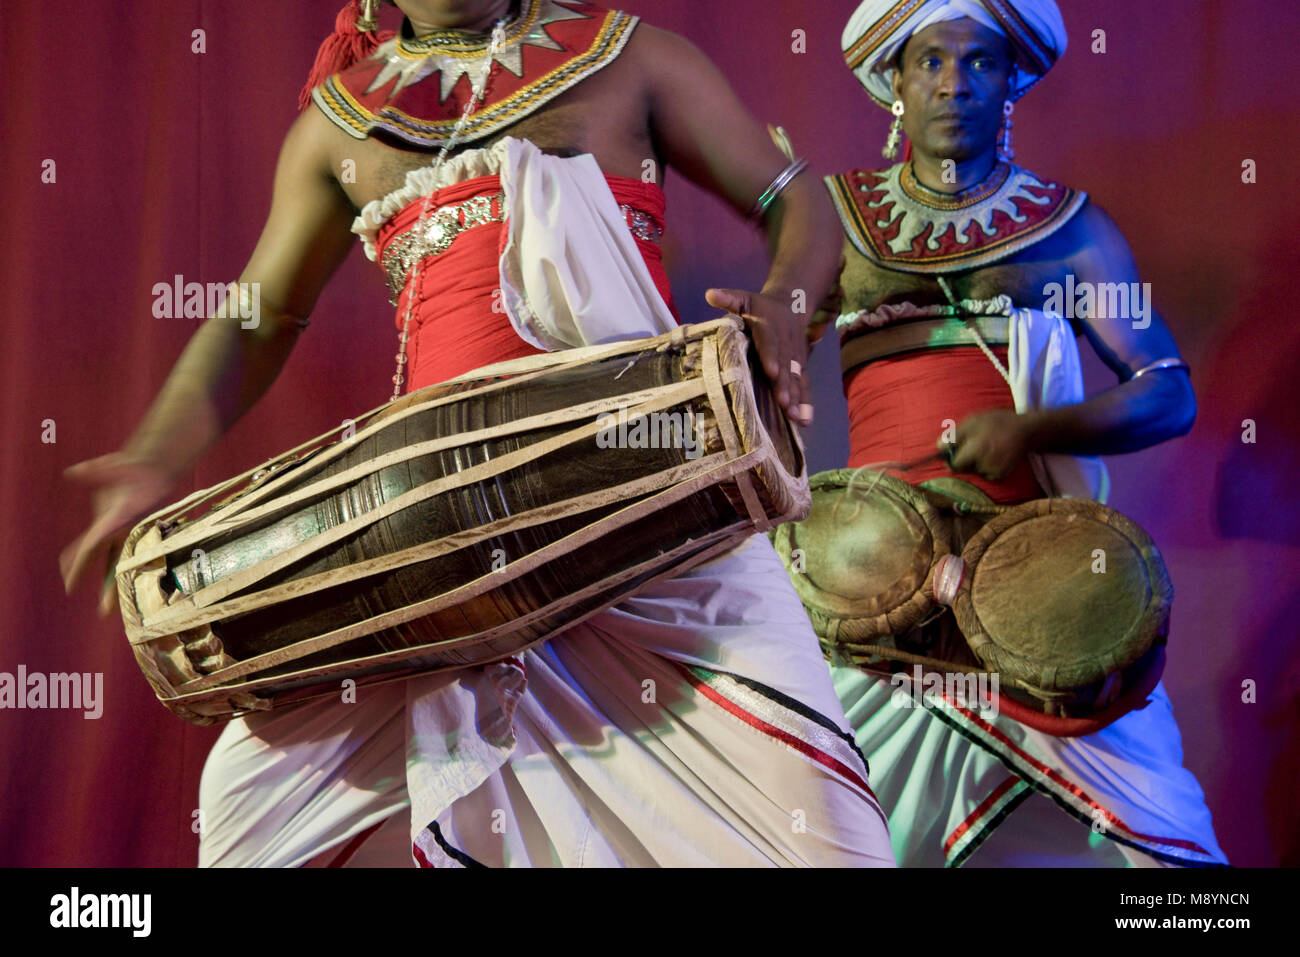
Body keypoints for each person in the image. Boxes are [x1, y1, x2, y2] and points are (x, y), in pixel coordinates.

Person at [60, 0, 893, 867]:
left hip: (662, 512)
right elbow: (258, 319)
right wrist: (151, 458)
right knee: (245, 810)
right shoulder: (336, 126)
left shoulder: (632, 57)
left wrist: (788, 302)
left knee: (830, 839)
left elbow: (797, 201)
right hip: (441, 552)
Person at [807, 0, 1227, 867]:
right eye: (930, 61)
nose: (954, 82)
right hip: (872, 597)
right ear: (895, 81)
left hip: (1041, 587)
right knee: (822, 828)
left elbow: (1167, 391)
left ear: (1011, 84)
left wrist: (1030, 427)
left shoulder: (1069, 231)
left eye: (979, 62)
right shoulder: (838, 223)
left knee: (1168, 855)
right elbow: (767, 364)